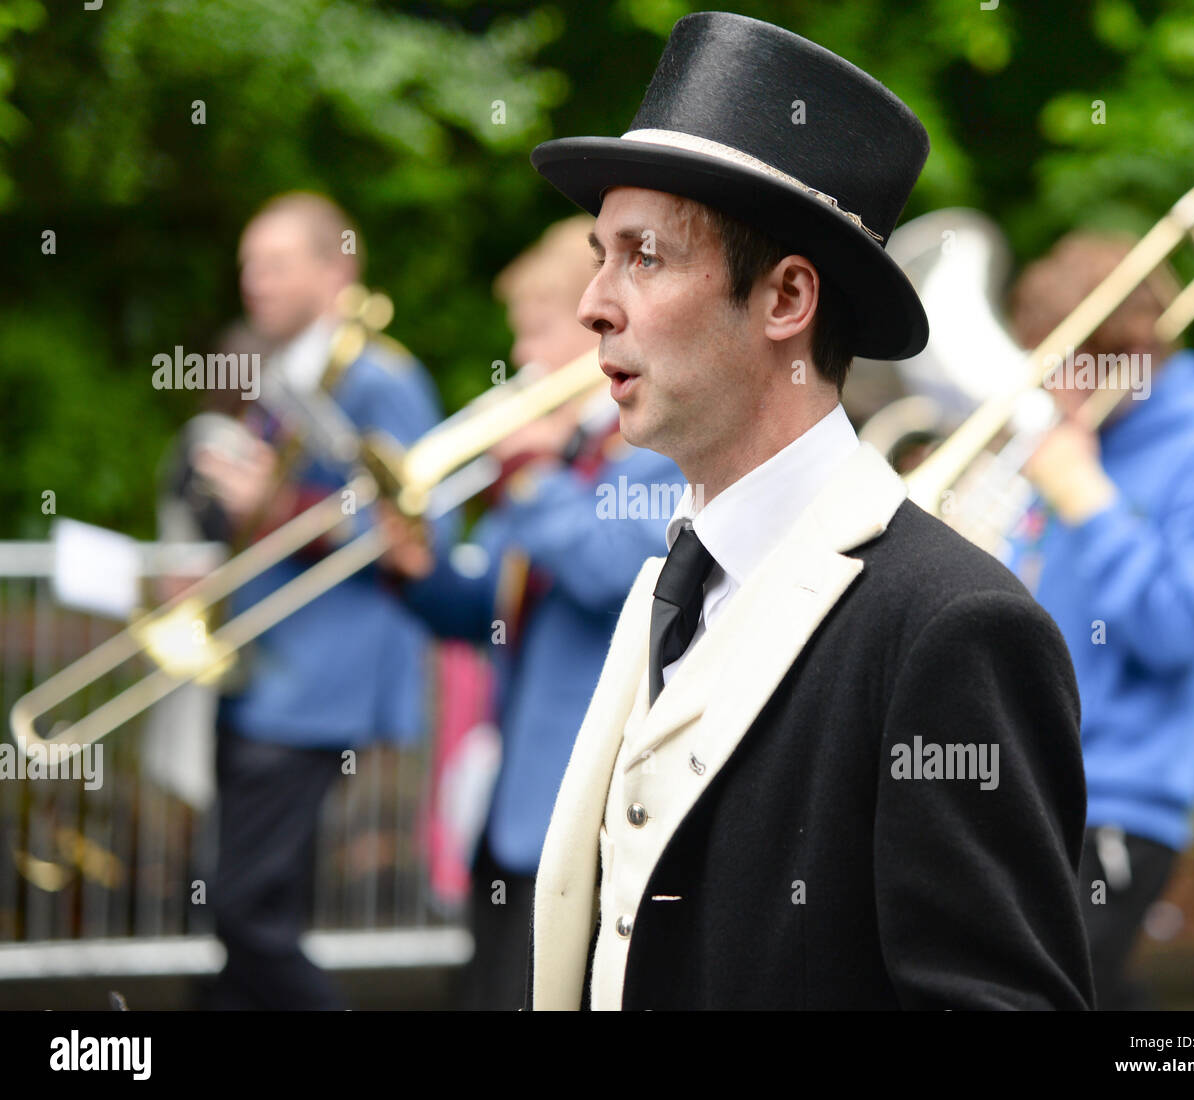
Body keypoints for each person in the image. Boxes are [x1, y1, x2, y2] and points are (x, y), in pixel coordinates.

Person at [522, 12, 1094, 1010]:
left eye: (642, 257)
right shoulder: (666, 583)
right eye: (596, 255)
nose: (593, 305)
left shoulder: (954, 627)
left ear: (787, 296)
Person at [383, 216, 686, 1009]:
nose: (521, 359)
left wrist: (532, 476)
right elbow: (494, 607)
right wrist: (418, 571)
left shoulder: (650, 452)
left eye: (537, 330)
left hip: (588, 812)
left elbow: (613, 573)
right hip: (515, 803)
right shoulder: (557, 462)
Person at [1006, 232, 1194, 1009]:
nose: (1047, 386)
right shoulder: (1081, 442)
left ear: (1114, 355)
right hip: (1032, 784)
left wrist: (1089, 501)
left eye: (1060, 364)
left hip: (1121, 802)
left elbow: (1182, 632)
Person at [198, 192, 449, 1010]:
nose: (252, 281)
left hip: (315, 684)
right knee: (246, 925)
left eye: (273, 263)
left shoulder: (381, 375)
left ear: (336, 266)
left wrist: (275, 510)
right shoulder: (287, 375)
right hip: (260, 668)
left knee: (247, 913)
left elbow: (419, 529)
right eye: (246, 264)